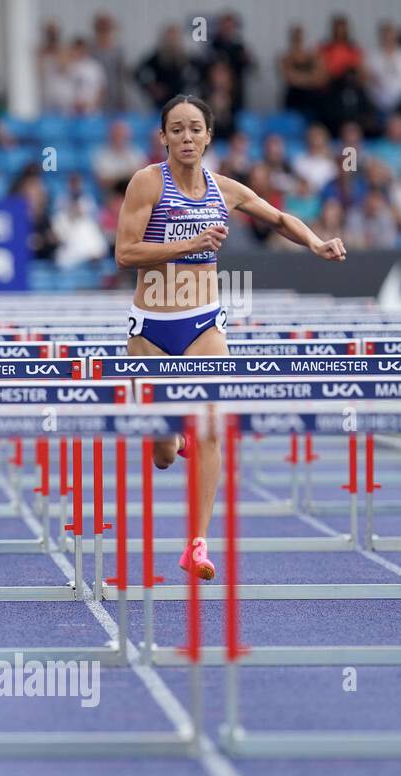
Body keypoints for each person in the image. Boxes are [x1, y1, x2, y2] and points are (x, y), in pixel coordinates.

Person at [114, 95, 346, 580]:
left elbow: (281, 219)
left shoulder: (225, 189)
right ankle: (170, 437)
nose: (186, 137)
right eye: (176, 129)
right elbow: (125, 254)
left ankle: (196, 544)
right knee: (161, 456)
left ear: (209, 136)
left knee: (213, 427)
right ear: (163, 138)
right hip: (151, 331)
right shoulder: (146, 183)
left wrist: (316, 242)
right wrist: (191, 244)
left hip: (203, 325)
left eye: (195, 128)